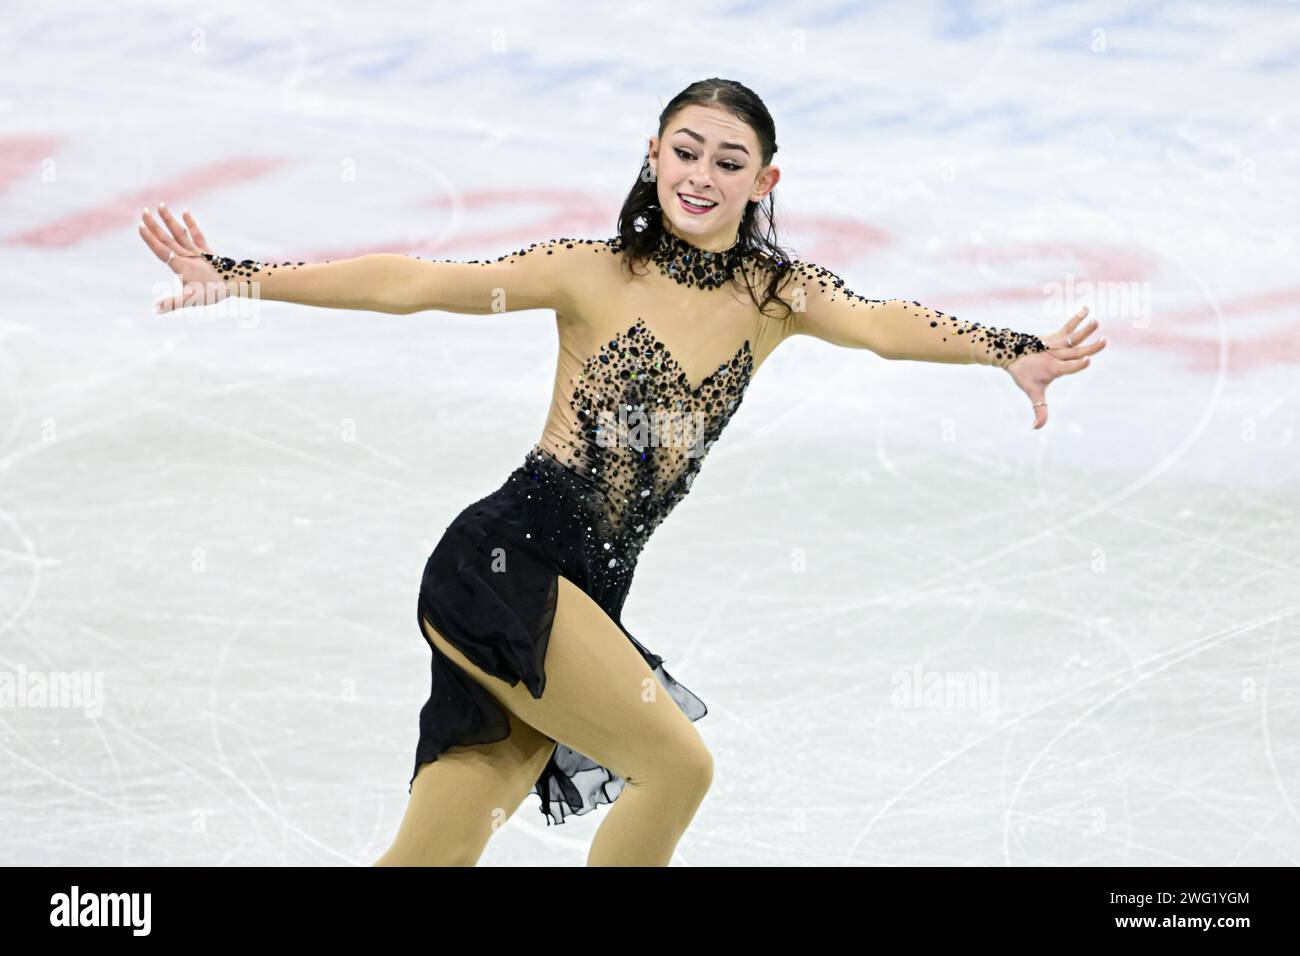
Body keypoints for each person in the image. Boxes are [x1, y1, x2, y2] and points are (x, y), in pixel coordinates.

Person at [137, 78, 1104, 867]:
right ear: (654, 155)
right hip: (504, 566)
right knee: (678, 769)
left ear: (765, 180)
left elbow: (887, 325)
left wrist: (1005, 346)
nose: (701, 175)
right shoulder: (586, 270)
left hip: (586, 593)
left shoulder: (776, 298)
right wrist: (242, 274)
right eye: (685, 152)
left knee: (431, 858)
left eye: (728, 162)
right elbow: (417, 284)